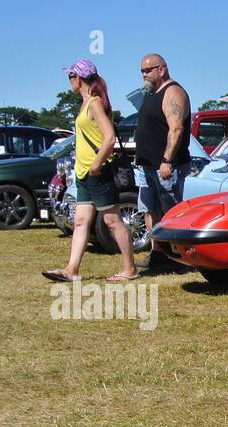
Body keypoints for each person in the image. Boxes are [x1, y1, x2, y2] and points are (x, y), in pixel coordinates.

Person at [43, 60, 137, 282]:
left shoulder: (94, 103)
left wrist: (96, 165)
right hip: (84, 173)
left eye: (70, 77)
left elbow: (110, 138)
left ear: (79, 78)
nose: (69, 82)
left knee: (112, 221)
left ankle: (130, 268)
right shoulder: (86, 103)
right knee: (80, 221)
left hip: (97, 172)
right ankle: (71, 270)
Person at [134, 53, 191, 273]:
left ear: (162, 69)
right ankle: (158, 253)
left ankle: (178, 257)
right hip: (148, 166)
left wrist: (167, 160)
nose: (144, 74)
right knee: (151, 210)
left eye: (148, 70)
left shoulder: (173, 92)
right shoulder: (151, 92)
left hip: (166, 167)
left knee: (171, 212)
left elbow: (176, 129)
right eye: (142, 71)